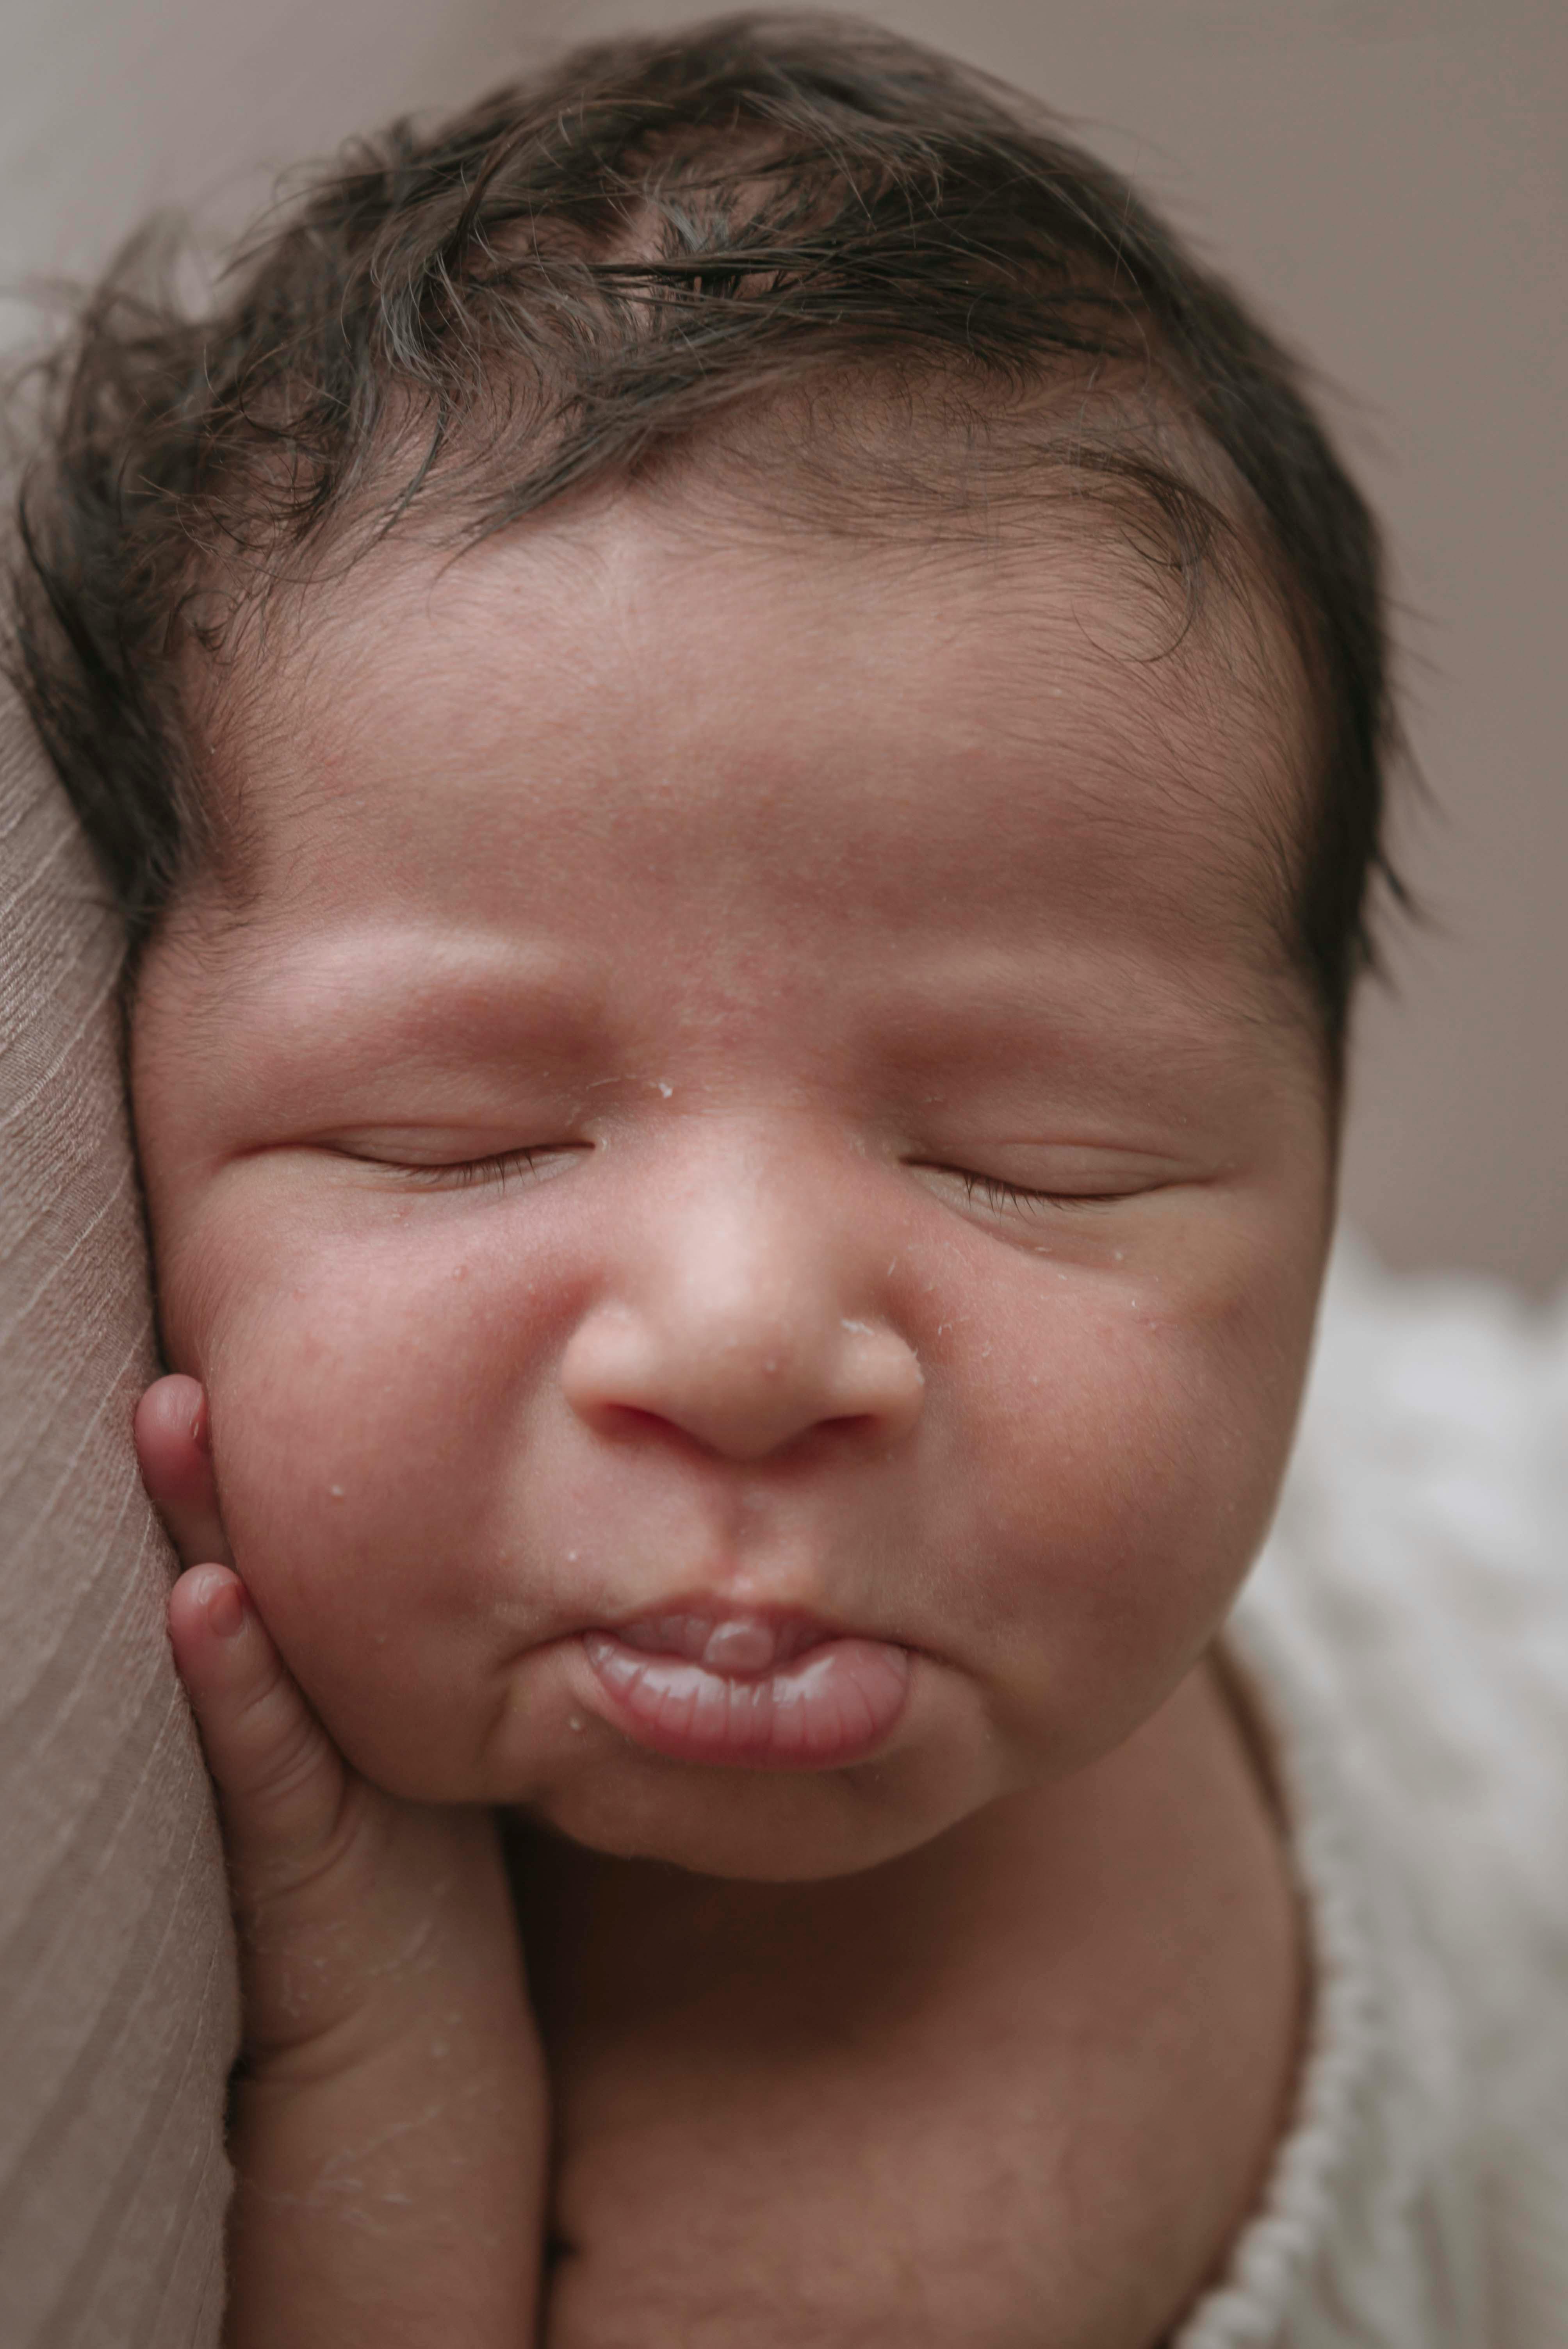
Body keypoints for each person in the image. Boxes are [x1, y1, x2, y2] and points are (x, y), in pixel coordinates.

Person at [9, 16, 1563, 2345]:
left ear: (1312, 1163)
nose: (746, 1341)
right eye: (467, 1141)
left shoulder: (875, 2239)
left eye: (1031, 1163)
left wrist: (386, 2068)